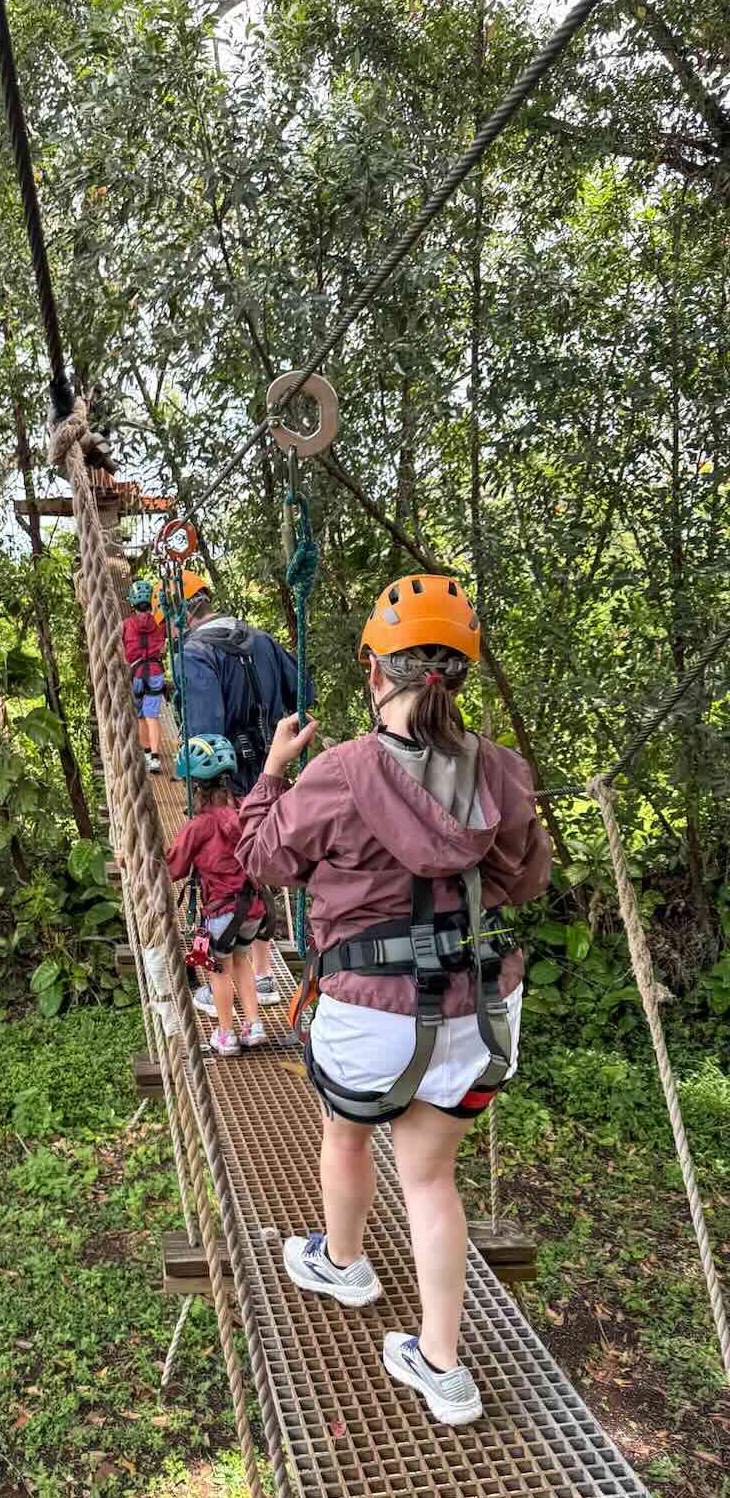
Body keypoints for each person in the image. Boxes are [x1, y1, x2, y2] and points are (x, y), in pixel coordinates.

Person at [235, 574, 551, 1428]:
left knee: (346, 1133)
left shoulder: (338, 774)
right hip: (479, 1016)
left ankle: (343, 1263)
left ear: (377, 674)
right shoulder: (504, 773)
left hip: (371, 1017)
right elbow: (524, 878)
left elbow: (263, 859)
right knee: (431, 1176)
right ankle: (443, 1367)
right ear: (460, 677)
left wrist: (270, 772)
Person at [160, 577, 303, 1015]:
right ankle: (261, 977)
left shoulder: (193, 654)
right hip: (274, 772)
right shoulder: (262, 640)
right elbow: (303, 694)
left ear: (182, 614)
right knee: (261, 868)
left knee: (230, 870)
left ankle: (236, 984)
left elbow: (205, 734)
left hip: (230, 784)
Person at [164, 735, 270, 1056]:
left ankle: (226, 1034)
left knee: (218, 968)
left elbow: (173, 868)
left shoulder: (199, 826)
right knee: (241, 960)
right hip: (253, 908)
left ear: (196, 789)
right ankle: (254, 1026)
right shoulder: (242, 809)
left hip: (223, 912)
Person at [123, 578, 167, 774]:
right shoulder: (159, 623)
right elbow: (166, 641)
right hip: (155, 672)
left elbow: (120, 645)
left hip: (136, 674)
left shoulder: (126, 624)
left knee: (141, 716)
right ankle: (155, 757)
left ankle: (148, 753)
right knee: (152, 715)